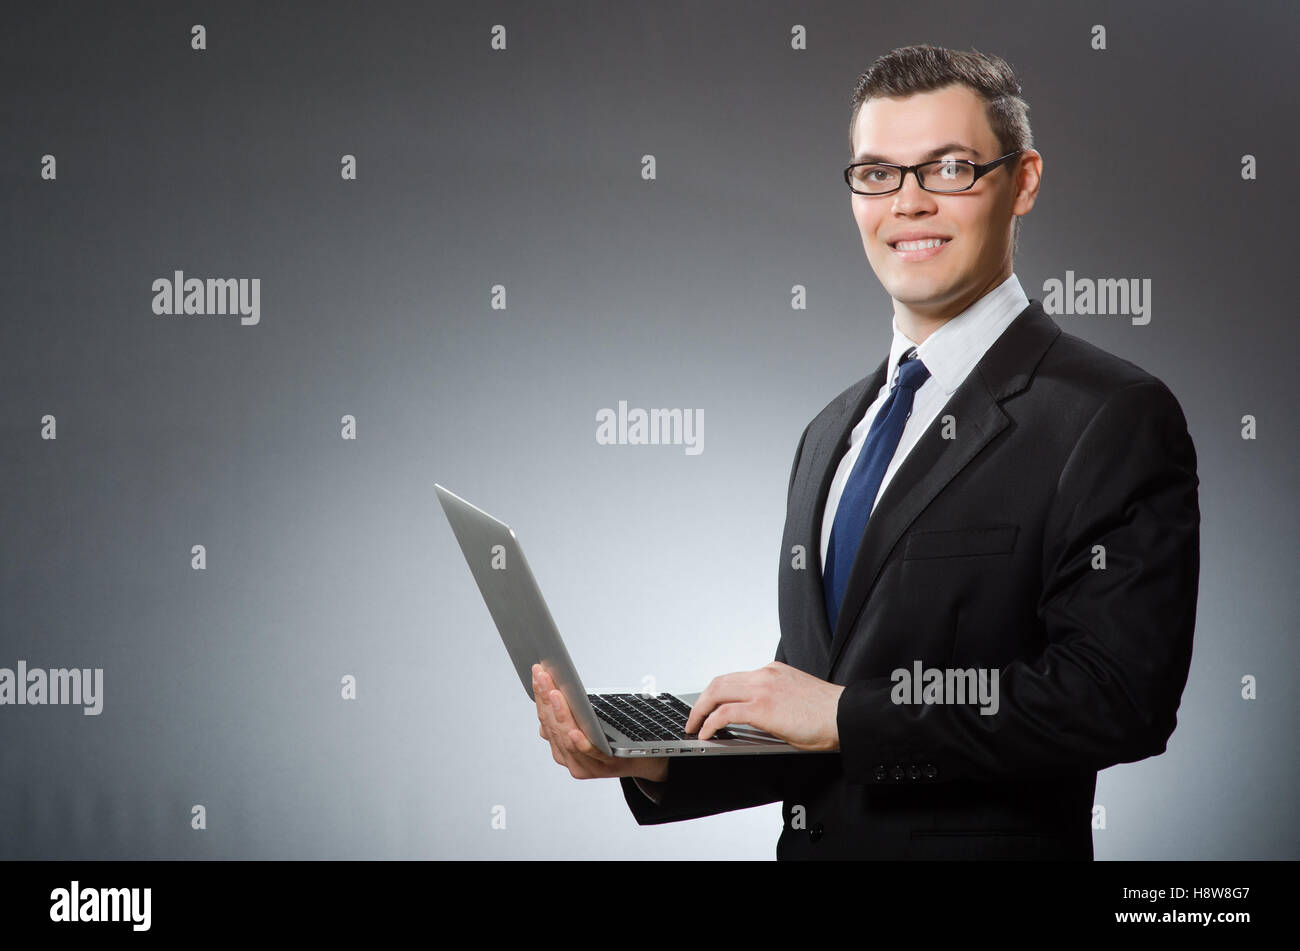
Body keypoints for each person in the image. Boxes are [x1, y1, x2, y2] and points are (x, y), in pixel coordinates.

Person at [532, 43, 1199, 859]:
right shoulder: (830, 433)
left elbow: (1117, 696)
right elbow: (813, 732)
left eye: (949, 168)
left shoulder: (1111, 415)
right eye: (879, 173)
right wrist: (654, 760)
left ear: (1022, 181)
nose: (908, 203)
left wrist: (846, 714)